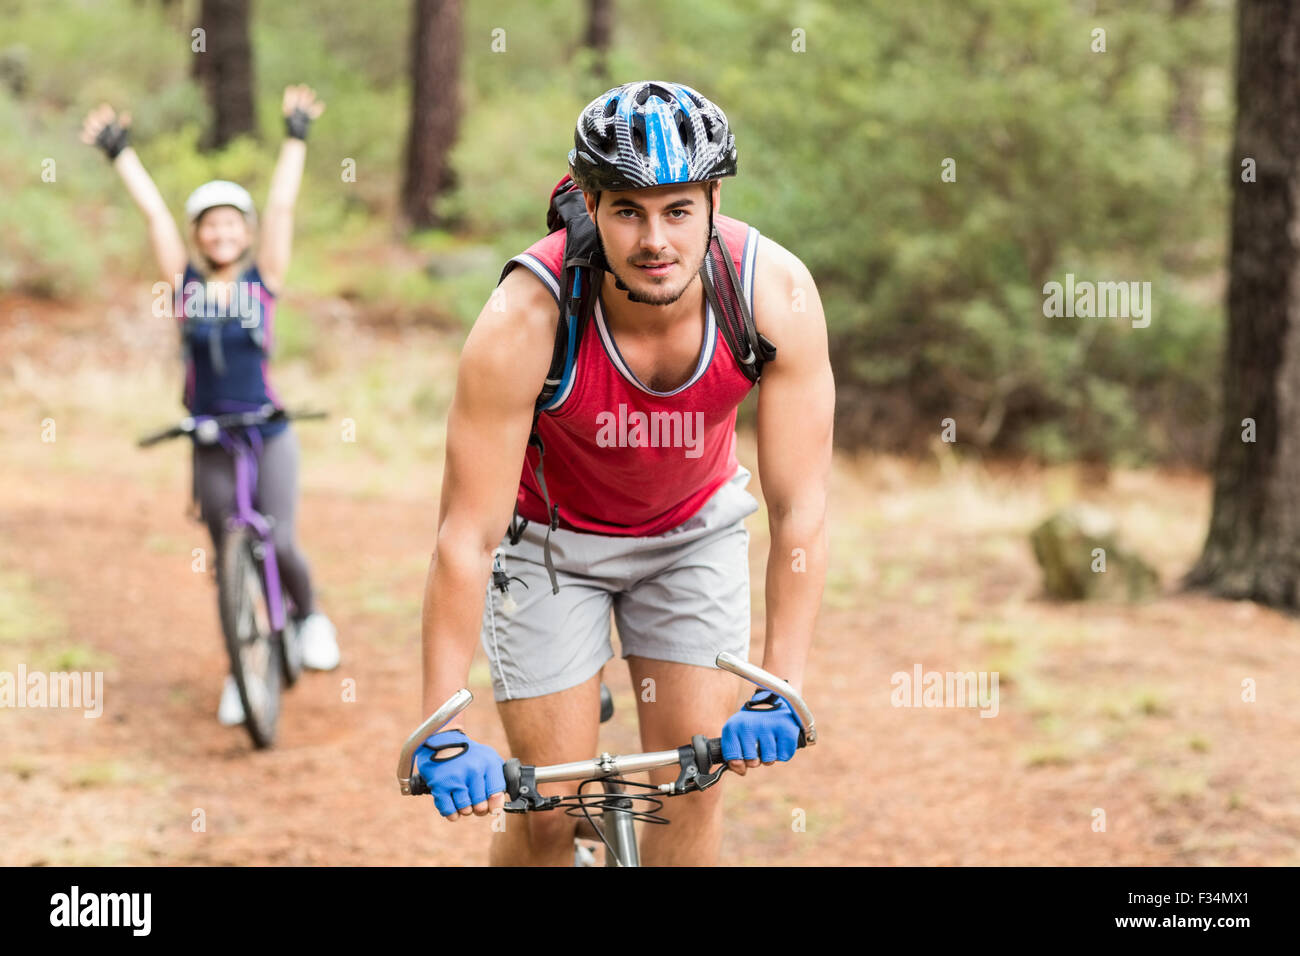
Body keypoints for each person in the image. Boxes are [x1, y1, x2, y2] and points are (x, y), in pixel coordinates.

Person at [416, 81, 834, 865]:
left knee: (690, 793)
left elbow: (801, 509)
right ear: (589, 203)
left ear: (714, 200)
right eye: (627, 211)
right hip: (550, 546)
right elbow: (465, 536)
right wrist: (442, 728)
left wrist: (781, 682)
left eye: (677, 210)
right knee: (550, 807)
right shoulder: (525, 319)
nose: (655, 240)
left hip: (692, 537)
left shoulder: (773, 294)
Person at [81, 85, 341, 726]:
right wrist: (121, 156)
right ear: (199, 236)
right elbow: (153, 218)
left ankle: (309, 618)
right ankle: (242, 669)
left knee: (277, 541)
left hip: (268, 429)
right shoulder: (185, 285)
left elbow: (282, 206)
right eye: (209, 224)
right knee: (225, 551)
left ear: (244, 234)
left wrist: (295, 139)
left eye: (231, 223)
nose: (220, 232)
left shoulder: (263, 279)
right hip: (207, 434)